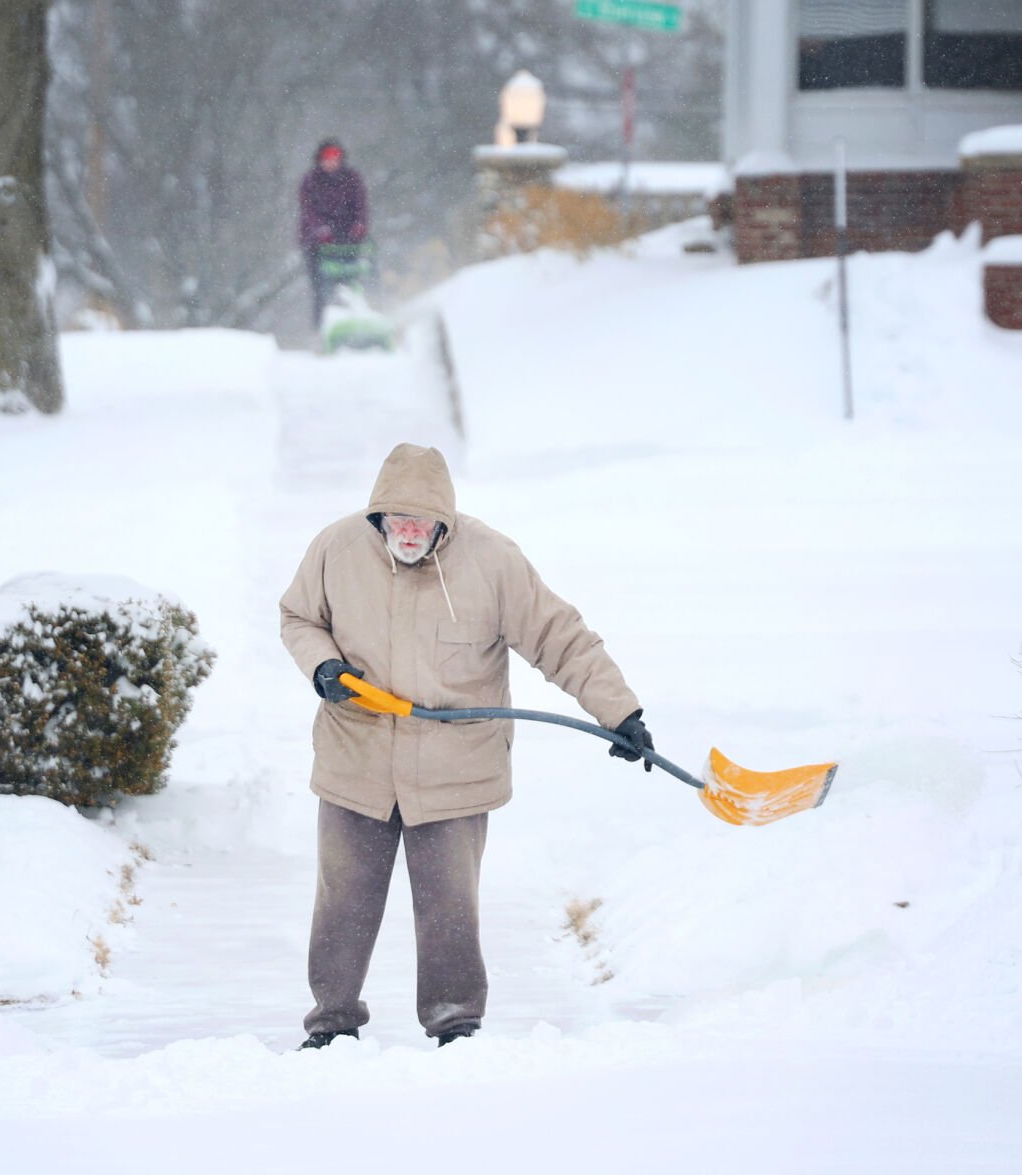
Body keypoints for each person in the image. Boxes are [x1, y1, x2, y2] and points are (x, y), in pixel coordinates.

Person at [279, 443, 655, 1049]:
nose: (407, 531)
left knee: (449, 909)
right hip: (357, 759)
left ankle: (455, 1024)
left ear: (444, 522)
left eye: (420, 521)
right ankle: (332, 1022)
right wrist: (322, 666)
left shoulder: (493, 561)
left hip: (455, 770)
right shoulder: (336, 549)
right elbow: (299, 617)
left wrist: (622, 711)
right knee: (344, 902)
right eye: (394, 519)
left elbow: (563, 640)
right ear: (376, 516)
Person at [296, 138, 370, 329]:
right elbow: (308, 210)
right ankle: (320, 329)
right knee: (321, 289)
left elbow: (361, 205)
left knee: (353, 282)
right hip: (317, 245)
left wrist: (359, 225)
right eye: (327, 157)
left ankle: (358, 321)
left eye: (335, 157)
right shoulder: (311, 181)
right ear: (319, 159)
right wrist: (320, 230)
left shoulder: (352, 179)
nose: (331, 161)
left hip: (348, 242)